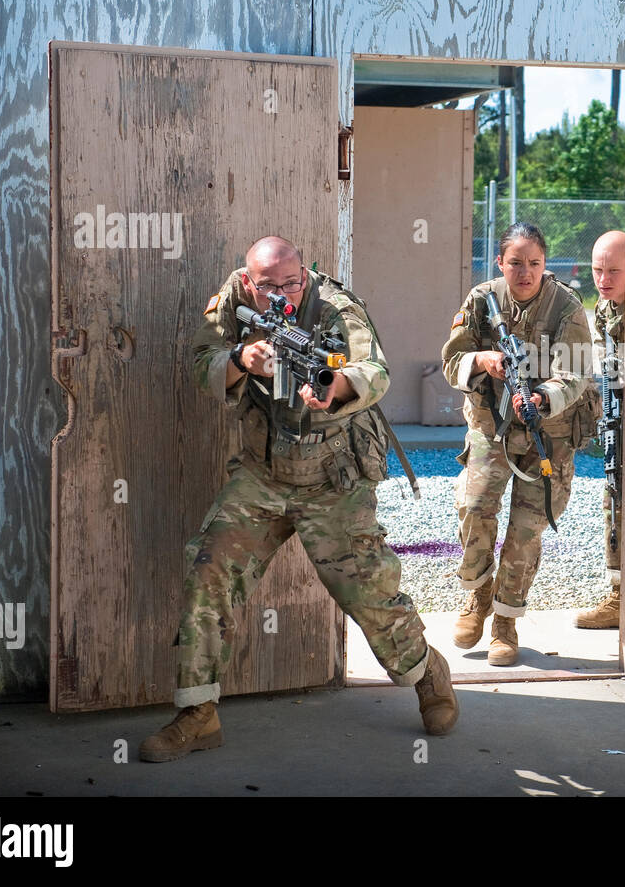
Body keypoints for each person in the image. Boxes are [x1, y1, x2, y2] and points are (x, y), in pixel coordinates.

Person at [140, 236, 458, 762]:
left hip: (334, 476)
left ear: (305, 275)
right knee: (208, 569)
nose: (282, 293)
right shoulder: (233, 302)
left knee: (369, 595)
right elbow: (201, 362)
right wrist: (242, 359)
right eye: (268, 287)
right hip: (264, 474)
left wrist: (337, 385)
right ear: (248, 282)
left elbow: (375, 369)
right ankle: (197, 713)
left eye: (292, 283)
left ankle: (426, 671)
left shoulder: (336, 305)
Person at [442, 222, 598, 665]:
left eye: (534, 263)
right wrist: (482, 359)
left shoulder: (566, 306)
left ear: (545, 264)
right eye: (515, 263)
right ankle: (477, 597)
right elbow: (451, 359)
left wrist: (542, 397)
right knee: (474, 507)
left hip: (549, 433)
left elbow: (576, 373)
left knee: (527, 530)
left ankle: (505, 622)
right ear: (500, 264)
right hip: (492, 426)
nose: (524, 272)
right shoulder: (480, 300)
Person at [577, 231, 625, 629]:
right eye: (597, 270)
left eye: (613, 271)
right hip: (616, 421)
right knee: (611, 500)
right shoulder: (606, 309)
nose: (603, 279)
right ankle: (618, 594)